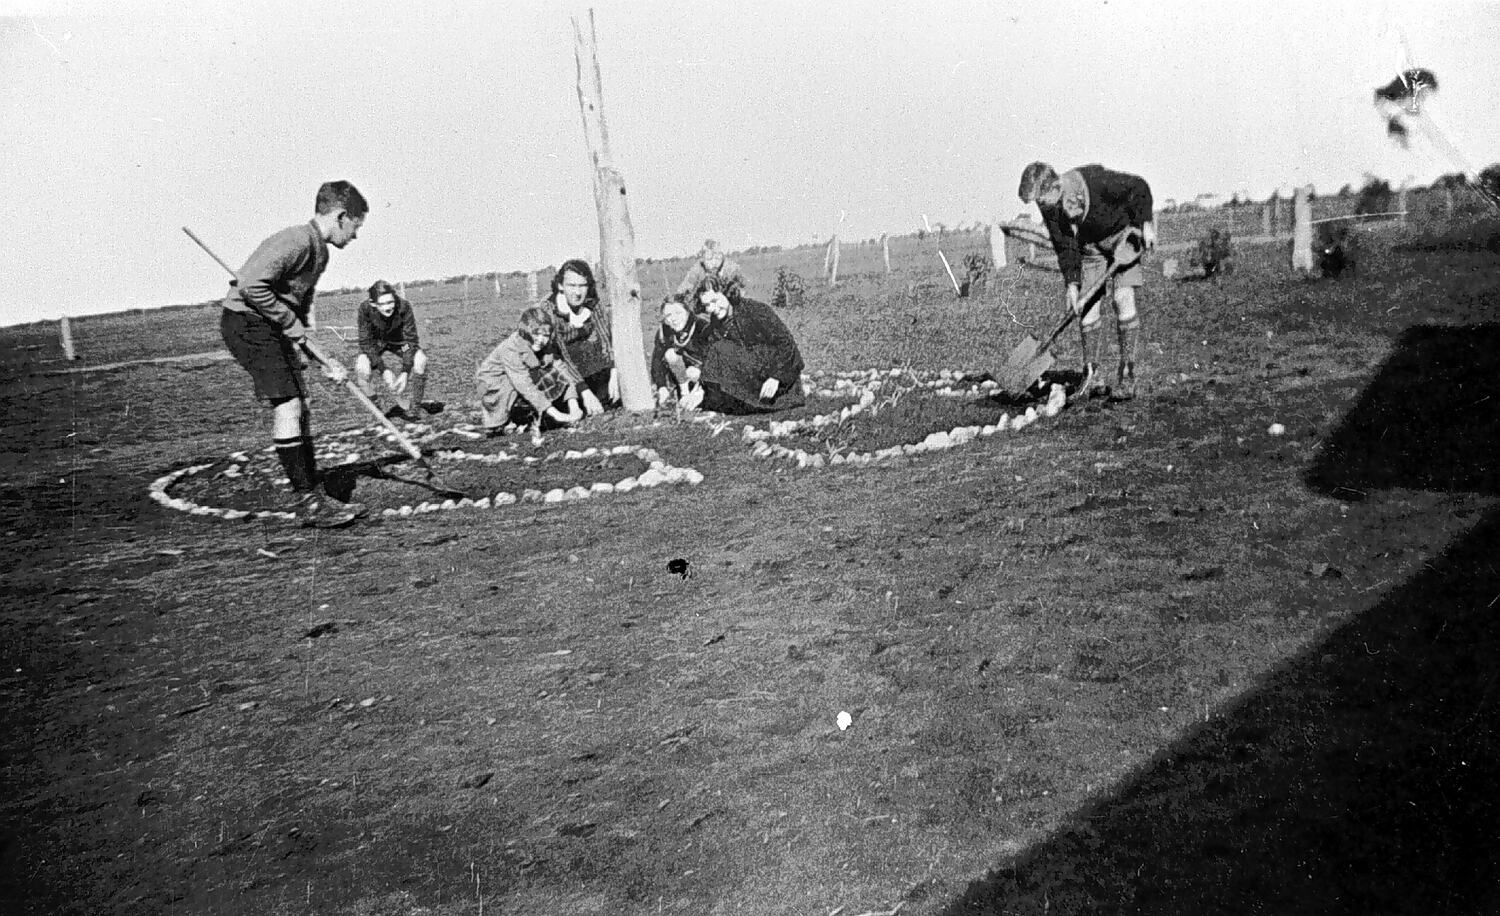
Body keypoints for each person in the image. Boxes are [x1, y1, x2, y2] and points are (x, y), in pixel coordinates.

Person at [219, 180, 369, 528]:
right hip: (247, 323)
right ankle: (308, 503)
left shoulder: (321, 252)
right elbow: (251, 285)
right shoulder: (296, 240)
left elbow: (297, 312)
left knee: (301, 407)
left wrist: (320, 359)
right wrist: (290, 325)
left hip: (269, 326)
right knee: (289, 406)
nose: (355, 236)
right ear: (342, 216)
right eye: (356, 227)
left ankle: (311, 490)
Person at [1018, 161, 1156, 400]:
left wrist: (1145, 223)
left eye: (1041, 200)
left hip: (1124, 239)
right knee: (1087, 310)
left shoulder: (1096, 181)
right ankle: (1092, 375)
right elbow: (1064, 245)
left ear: (1055, 187)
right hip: (1091, 248)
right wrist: (1072, 284)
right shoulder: (1049, 205)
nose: (1041, 207)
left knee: (1123, 299)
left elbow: (1139, 186)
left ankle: (1127, 374)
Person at [693, 278, 805, 414]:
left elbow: (786, 344)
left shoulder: (756, 310)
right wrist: (699, 389)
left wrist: (776, 377)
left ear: (727, 294)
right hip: (753, 376)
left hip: (777, 380)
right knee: (717, 349)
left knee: (719, 348)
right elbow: (714, 360)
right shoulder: (716, 323)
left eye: (715, 301)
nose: (712, 308)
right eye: (707, 305)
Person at [475, 306, 584, 435]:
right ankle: (503, 421)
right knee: (512, 389)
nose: (540, 339)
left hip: (518, 379)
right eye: (536, 334)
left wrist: (574, 405)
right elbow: (523, 384)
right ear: (526, 331)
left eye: (545, 335)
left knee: (549, 371)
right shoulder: (511, 348)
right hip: (493, 385)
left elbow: (562, 369)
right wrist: (557, 415)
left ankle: (532, 413)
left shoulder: (545, 345)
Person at [543, 259, 615, 415]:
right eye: (572, 286)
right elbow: (562, 355)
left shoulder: (592, 304)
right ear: (560, 286)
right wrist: (584, 390)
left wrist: (614, 372)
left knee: (609, 396)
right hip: (557, 367)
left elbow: (606, 339)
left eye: (582, 285)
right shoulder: (550, 310)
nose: (577, 292)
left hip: (584, 362)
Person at [355, 279, 432, 418]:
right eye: (382, 304)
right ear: (373, 303)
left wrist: (405, 372)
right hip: (375, 344)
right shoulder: (365, 309)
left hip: (400, 345)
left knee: (421, 359)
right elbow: (365, 341)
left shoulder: (404, 307)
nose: (388, 307)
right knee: (362, 368)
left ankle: (415, 408)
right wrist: (384, 370)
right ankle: (378, 409)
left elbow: (410, 341)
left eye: (390, 302)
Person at [649, 297, 712, 409]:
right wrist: (661, 386)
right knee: (670, 354)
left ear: (687, 312)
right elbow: (657, 360)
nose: (674, 319)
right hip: (683, 376)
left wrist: (701, 388)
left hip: (705, 376)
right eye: (668, 315)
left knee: (692, 372)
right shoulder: (665, 331)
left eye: (678, 313)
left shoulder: (702, 327)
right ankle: (684, 392)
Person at [674, 239, 746, 303]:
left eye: (717, 256)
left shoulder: (730, 266)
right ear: (703, 256)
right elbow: (685, 288)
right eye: (709, 257)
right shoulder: (698, 268)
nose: (714, 262)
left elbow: (742, 287)